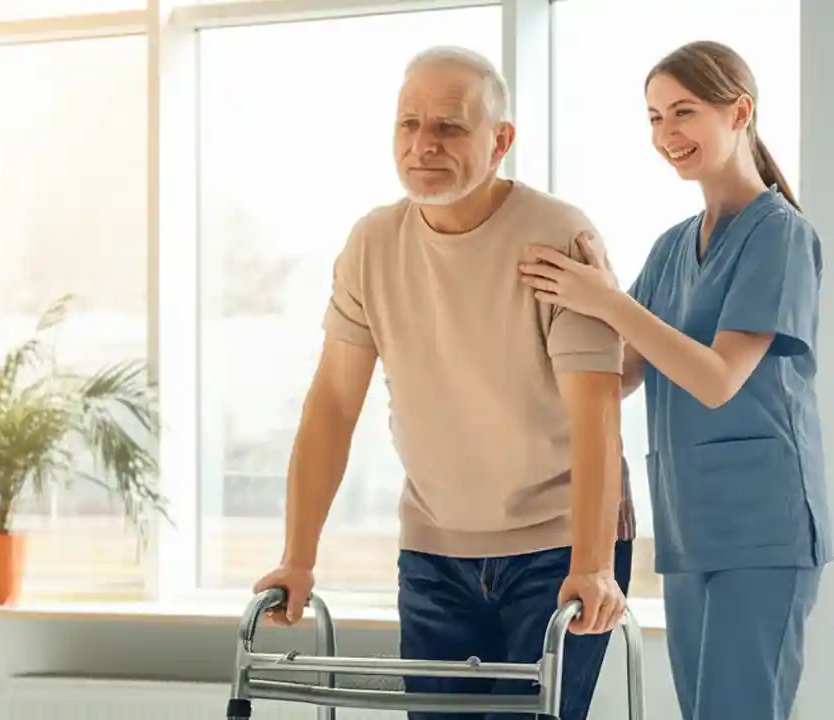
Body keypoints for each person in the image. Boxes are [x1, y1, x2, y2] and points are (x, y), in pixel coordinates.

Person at [252, 46, 635, 719]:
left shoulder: (557, 235)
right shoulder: (371, 244)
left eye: (449, 128)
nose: (423, 146)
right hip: (434, 551)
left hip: (556, 547)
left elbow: (596, 414)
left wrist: (594, 562)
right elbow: (334, 405)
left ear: (500, 141)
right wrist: (297, 558)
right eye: (409, 125)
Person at [519, 40, 832, 720]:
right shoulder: (671, 247)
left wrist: (608, 300)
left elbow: (718, 379)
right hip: (690, 525)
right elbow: (625, 372)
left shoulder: (780, 235)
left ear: (740, 111)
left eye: (683, 112)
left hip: (763, 529)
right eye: (655, 117)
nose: (666, 134)